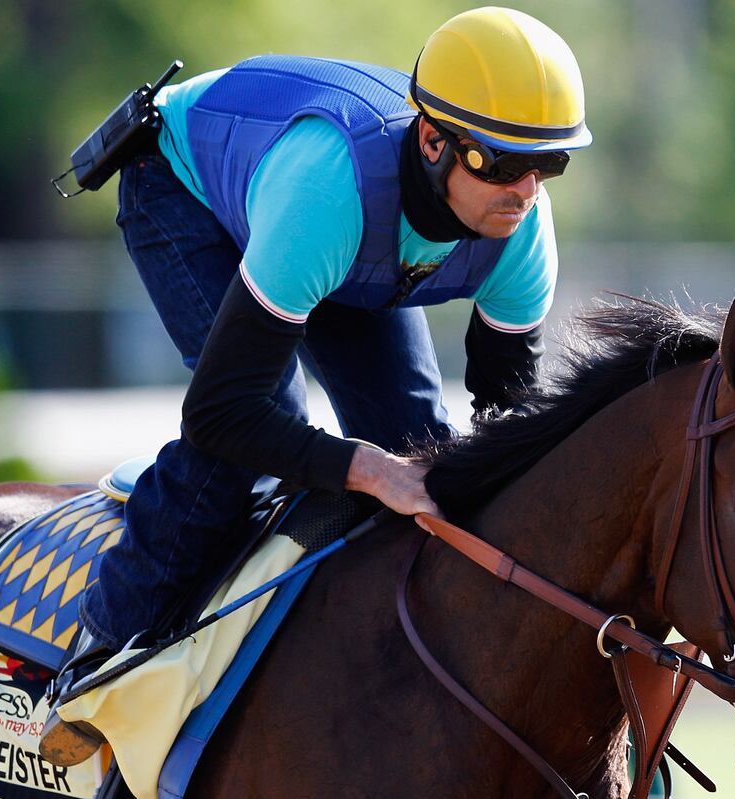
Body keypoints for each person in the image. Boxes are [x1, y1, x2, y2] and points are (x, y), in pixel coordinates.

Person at [40, 6, 592, 766]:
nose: (526, 190)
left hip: (331, 233)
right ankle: (99, 657)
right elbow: (220, 413)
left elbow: (508, 425)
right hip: (187, 189)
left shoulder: (523, 231)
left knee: (421, 447)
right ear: (433, 142)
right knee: (260, 430)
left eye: (550, 165)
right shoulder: (328, 193)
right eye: (500, 164)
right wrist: (363, 466)